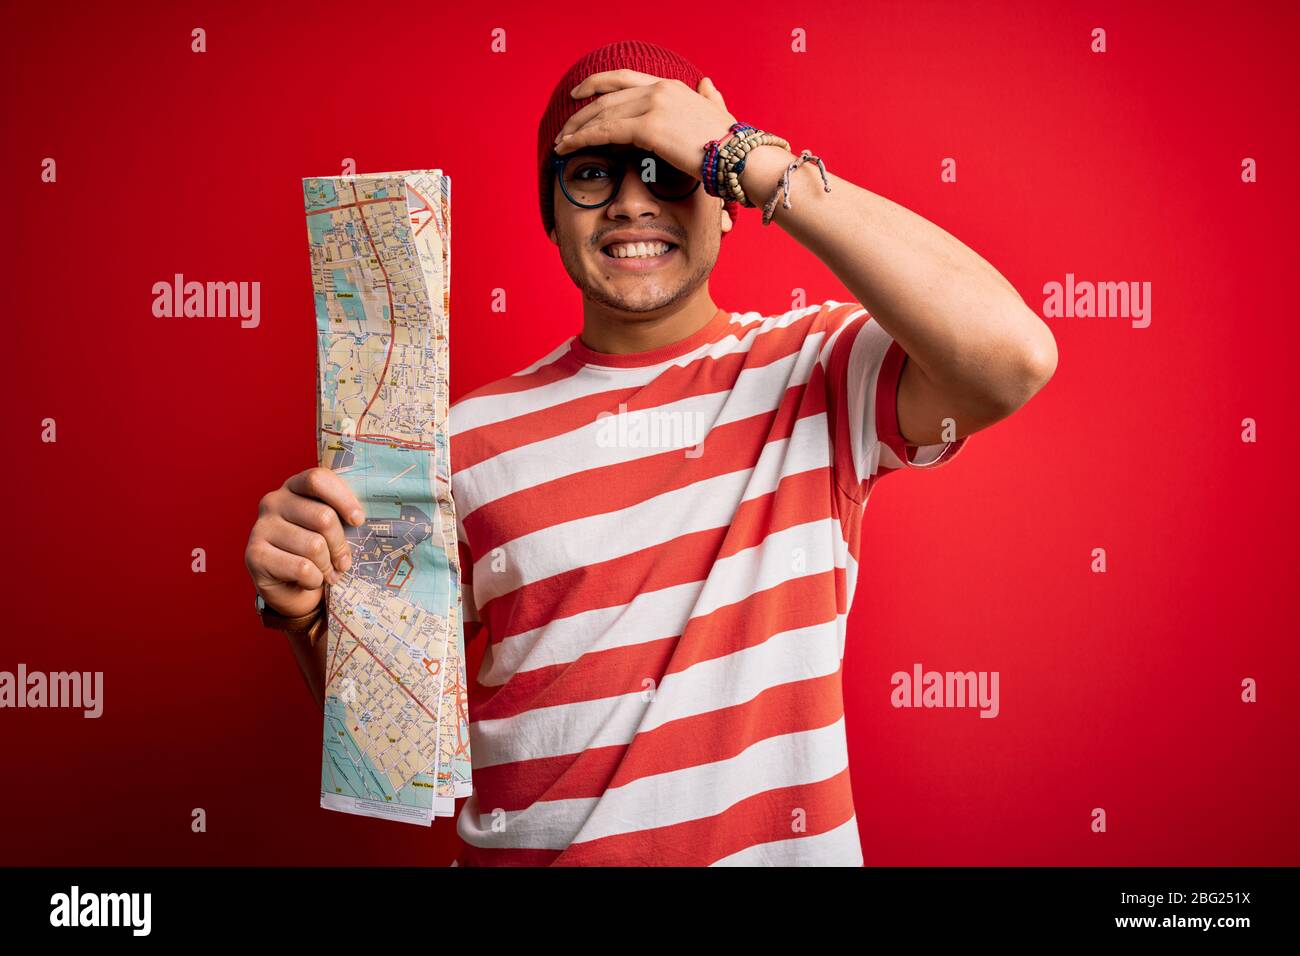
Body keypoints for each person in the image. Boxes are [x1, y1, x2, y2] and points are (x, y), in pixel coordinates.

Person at [245, 39, 1057, 866]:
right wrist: (304, 613)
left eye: (669, 168)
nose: (634, 203)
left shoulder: (816, 372)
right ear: (551, 213)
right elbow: (400, 744)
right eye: (593, 172)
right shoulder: (459, 441)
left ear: (726, 198)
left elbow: (1012, 358)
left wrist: (744, 153)